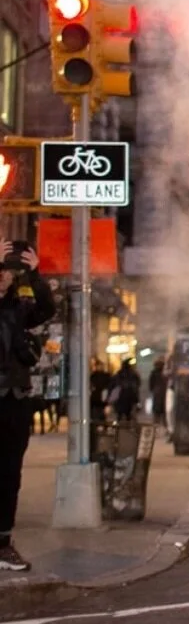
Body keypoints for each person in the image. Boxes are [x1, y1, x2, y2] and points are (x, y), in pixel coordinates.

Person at [0, 239, 56, 572]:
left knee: (9, 475)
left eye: (7, 272)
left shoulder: (18, 307)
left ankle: (3, 544)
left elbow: (46, 310)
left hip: (15, 400)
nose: (3, 277)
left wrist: (35, 274)